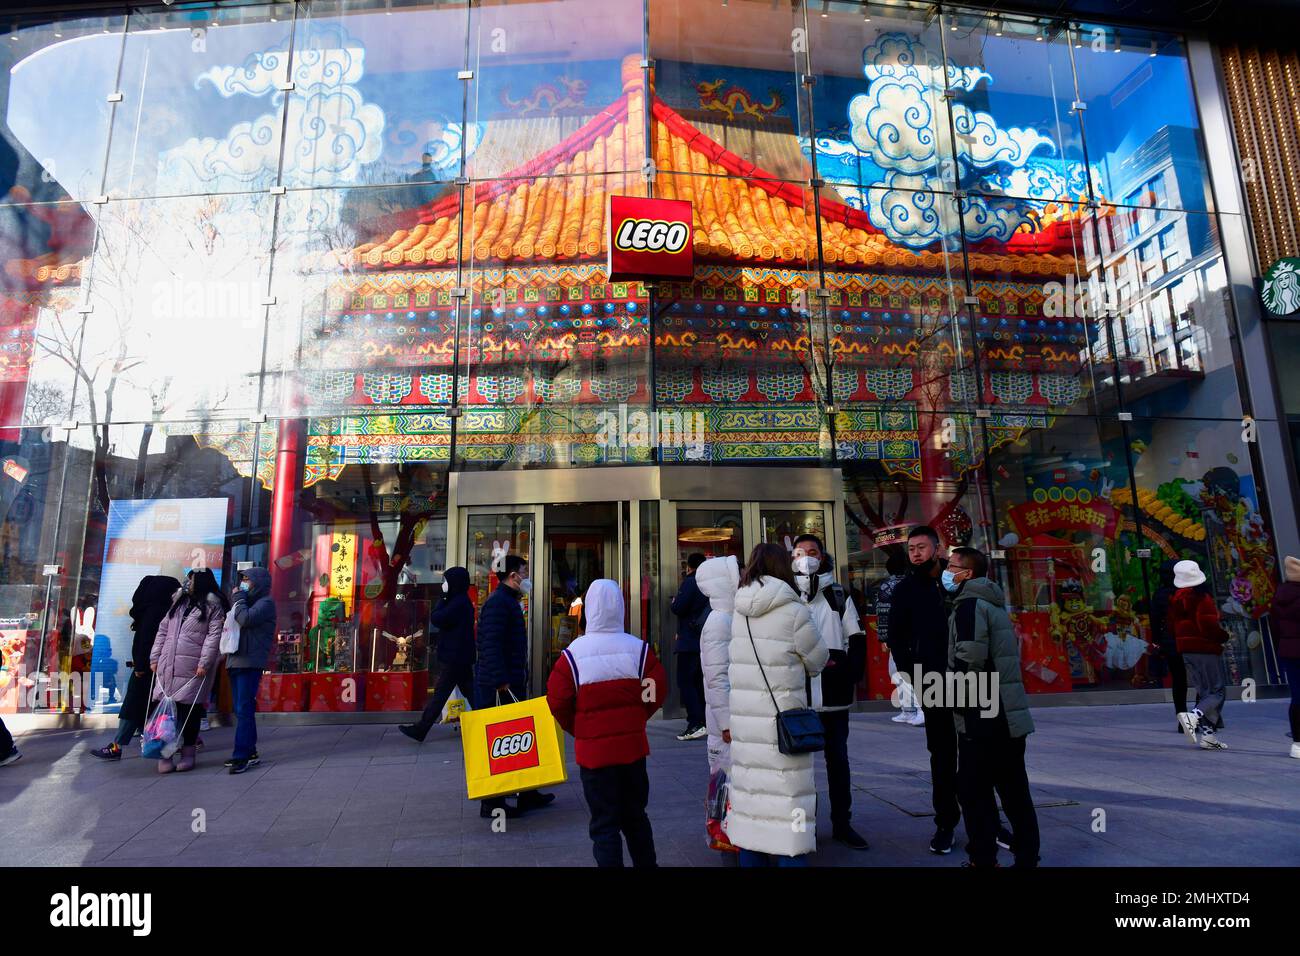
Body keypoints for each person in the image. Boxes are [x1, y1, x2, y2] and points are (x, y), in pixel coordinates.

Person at [546, 579, 667, 867]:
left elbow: (558, 701)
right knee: (636, 818)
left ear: (589, 609)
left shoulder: (573, 654)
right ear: (620, 608)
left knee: (604, 825)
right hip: (633, 750)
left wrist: (579, 728)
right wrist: (637, 717)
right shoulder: (639, 649)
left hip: (594, 756)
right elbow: (656, 690)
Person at [726, 542, 828, 867]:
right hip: (785, 726)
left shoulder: (737, 610)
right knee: (790, 813)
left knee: (752, 807)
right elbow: (818, 660)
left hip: (746, 727)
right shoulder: (795, 609)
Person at [946, 547, 1040, 868]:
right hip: (1007, 712)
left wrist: (952, 699)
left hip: (982, 712)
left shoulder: (969, 606)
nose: (946, 571)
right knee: (1014, 790)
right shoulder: (993, 603)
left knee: (973, 791)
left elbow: (968, 659)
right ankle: (1027, 858)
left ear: (966, 574)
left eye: (951, 566)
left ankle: (983, 859)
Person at [791, 534, 870, 850]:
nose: (806, 557)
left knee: (838, 762)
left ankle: (842, 824)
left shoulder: (839, 595)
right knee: (797, 772)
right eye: (800, 552)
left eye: (812, 552)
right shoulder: (784, 593)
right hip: (796, 696)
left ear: (823, 557)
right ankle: (800, 829)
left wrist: (849, 673)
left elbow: (857, 637)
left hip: (834, 698)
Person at [886, 525, 961, 854]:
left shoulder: (958, 581)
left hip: (974, 680)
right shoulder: (905, 589)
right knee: (942, 755)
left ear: (938, 548)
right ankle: (946, 823)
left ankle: (990, 820)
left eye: (922, 547)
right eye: (911, 548)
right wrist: (912, 675)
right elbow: (896, 638)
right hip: (932, 679)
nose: (916, 553)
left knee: (980, 753)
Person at [474, 553, 554, 819]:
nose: (527, 577)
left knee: (519, 737)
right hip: (500, 685)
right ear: (513, 575)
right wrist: (500, 680)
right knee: (502, 741)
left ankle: (526, 794)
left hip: (511, 680)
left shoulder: (508, 601)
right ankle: (492, 802)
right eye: (524, 571)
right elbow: (489, 644)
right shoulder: (499, 603)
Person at [89, 575, 179, 760]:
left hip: (148, 668)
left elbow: (146, 642)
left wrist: (141, 665)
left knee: (133, 705)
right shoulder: (169, 611)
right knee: (158, 706)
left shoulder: (152, 612)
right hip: (163, 667)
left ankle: (117, 745)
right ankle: (183, 741)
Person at [149, 569, 228, 774]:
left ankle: (187, 754)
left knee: (188, 713)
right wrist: (155, 657)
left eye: (191, 579)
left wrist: (205, 663)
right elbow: (162, 630)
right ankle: (164, 754)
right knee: (165, 715)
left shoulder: (213, 607)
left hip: (193, 669)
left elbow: (213, 637)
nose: (187, 583)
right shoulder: (178, 603)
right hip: (168, 665)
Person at [401, 566, 477, 743]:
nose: (443, 585)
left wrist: (442, 599)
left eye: (446, 581)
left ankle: (421, 728)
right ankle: (490, 721)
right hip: (459, 657)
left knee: (441, 694)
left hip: (454, 658)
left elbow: (437, 618)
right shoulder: (461, 601)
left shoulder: (457, 603)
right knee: (470, 692)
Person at [696, 553, 740, 850]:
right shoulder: (720, 621)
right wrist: (726, 723)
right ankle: (725, 836)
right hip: (725, 721)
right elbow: (717, 678)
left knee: (728, 777)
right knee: (725, 776)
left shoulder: (727, 617)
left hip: (728, 718)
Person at [1169, 560, 1231, 750]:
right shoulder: (1202, 598)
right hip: (1205, 648)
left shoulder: (1176, 600)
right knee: (1217, 691)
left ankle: (1208, 735)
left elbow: (1173, 627)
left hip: (1186, 650)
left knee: (1204, 692)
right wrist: (1224, 636)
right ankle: (1193, 716)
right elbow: (1208, 627)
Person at [224, 567, 276, 774]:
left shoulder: (266, 603)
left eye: (248, 579)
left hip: (249, 661)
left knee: (244, 709)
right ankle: (250, 751)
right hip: (235, 659)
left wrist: (238, 598)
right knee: (241, 709)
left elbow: (245, 619)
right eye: (243, 579)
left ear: (259, 582)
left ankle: (241, 756)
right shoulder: (245, 602)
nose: (244, 582)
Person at [876, 552, 923, 726]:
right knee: (907, 672)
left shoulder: (888, 586)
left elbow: (883, 614)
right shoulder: (916, 582)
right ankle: (911, 710)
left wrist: (884, 639)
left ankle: (915, 710)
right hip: (915, 635)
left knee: (899, 672)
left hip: (898, 637)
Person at [669, 552, 710, 741]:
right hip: (705, 639)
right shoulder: (710, 584)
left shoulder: (691, 582)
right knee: (700, 683)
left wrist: (674, 602)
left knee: (685, 682)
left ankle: (695, 722)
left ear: (689, 566)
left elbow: (678, 608)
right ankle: (704, 720)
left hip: (689, 641)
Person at [1148, 559, 1189, 732]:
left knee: (1179, 681)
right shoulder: (1187, 592)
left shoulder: (1159, 594)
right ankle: (1206, 716)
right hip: (1189, 640)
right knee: (1201, 680)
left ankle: (1183, 719)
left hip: (1171, 642)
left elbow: (1155, 621)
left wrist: (1158, 641)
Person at [1269, 555, 1300, 759]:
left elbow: (1274, 628)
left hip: (1288, 650)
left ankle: (1297, 742)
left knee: (1297, 696)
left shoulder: (1279, 597)